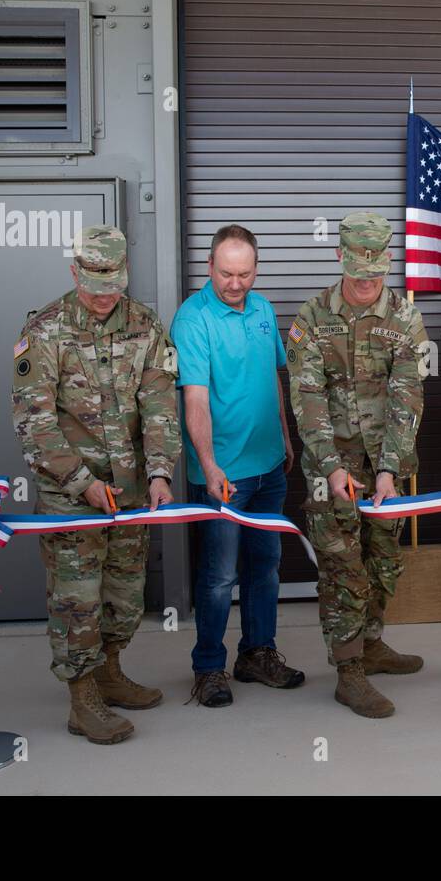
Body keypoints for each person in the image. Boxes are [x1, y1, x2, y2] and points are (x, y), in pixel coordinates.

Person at [12, 225, 180, 744]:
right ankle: (81, 696)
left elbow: (159, 405)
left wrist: (159, 472)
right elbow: (34, 422)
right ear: (74, 272)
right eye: (94, 285)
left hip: (129, 492)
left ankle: (110, 670)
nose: (106, 296)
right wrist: (81, 481)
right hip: (70, 497)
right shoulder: (44, 331)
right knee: (76, 597)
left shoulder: (145, 325)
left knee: (125, 592)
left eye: (114, 285)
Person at [287, 212, 428, 718]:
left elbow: (407, 397)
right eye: (357, 275)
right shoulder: (311, 318)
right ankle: (348, 672)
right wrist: (330, 468)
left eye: (375, 276)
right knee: (343, 568)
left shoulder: (405, 318)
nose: (366, 285)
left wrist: (390, 469)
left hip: (386, 464)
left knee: (383, 561)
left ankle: (371, 642)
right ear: (339, 261)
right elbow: (307, 399)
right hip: (333, 467)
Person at [172, 224, 304, 709]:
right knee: (219, 575)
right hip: (224, 474)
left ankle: (257, 653)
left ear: (255, 269)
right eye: (226, 273)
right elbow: (196, 400)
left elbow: (273, 377)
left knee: (265, 567)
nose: (235, 283)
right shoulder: (192, 320)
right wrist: (207, 464)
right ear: (209, 267)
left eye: (244, 273)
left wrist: (286, 438)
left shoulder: (264, 310)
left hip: (269, 467)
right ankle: (209, 668)